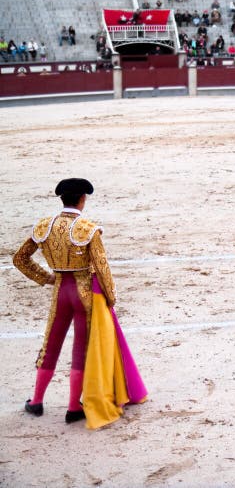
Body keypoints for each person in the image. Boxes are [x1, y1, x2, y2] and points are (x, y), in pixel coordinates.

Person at [13, 179, 147, 427]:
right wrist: (110, 297)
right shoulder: (87, 228)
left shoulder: (44, 226)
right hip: (83, 293)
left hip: (60, 291)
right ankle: (74, 407)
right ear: (83, 199)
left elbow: (19, 259)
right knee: (80, 349)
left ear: (62, 199)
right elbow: (102, 268)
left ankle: (37, 402)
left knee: (50, 345)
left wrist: (46, 278)